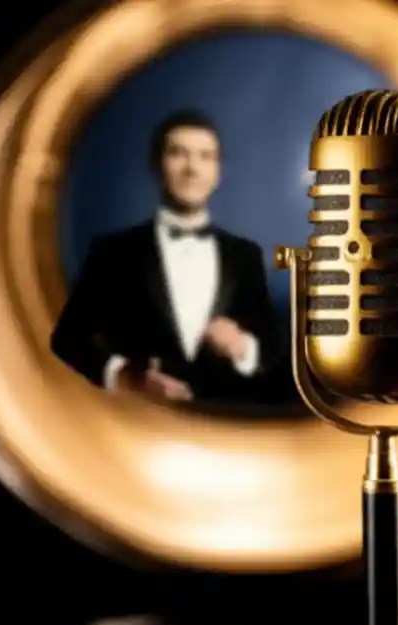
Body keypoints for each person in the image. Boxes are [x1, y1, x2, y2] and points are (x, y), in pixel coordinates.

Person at [51, 109, 277, 404]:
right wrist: (127, 376)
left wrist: (243, 346)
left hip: (226, 431)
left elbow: (272, 343)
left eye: (206, 156)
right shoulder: (112, 251)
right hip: (136, 428)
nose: (192, 168)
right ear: (157, 165)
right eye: (178, 153)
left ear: (217, 173)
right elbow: (67, 339)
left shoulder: (246, 255)